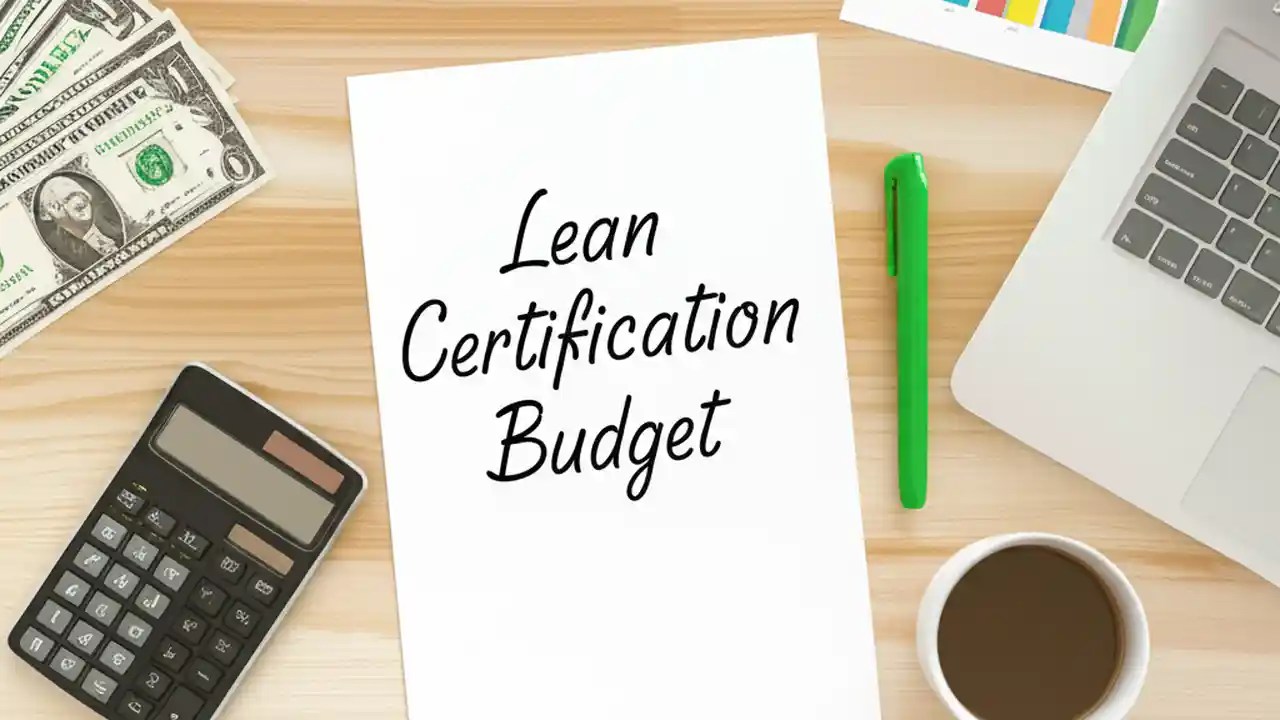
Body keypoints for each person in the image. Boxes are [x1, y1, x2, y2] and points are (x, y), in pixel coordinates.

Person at [36, 175, 123, 273]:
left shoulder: (112, 227)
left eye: (79, 193)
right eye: (66, 199)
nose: (79, 201)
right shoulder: (70, 251)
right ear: (54, 211)